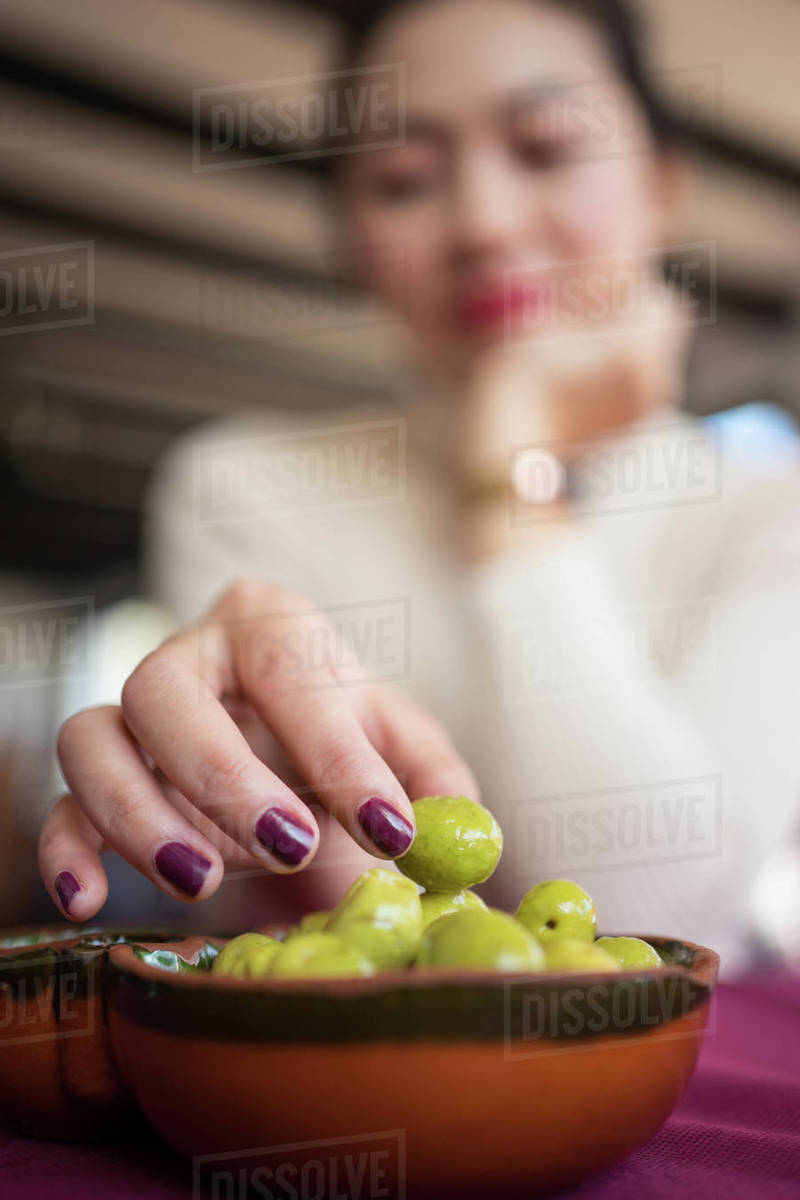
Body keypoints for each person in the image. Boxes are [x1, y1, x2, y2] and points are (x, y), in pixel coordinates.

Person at [40, 0, 800, 973]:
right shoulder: (245, 484)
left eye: (544, 147)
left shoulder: (771, 501)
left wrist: (507, 486)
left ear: (662, 186)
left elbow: (659, 923)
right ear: (351, 238)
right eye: (403, 180)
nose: (481, 223)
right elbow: (373, 922)